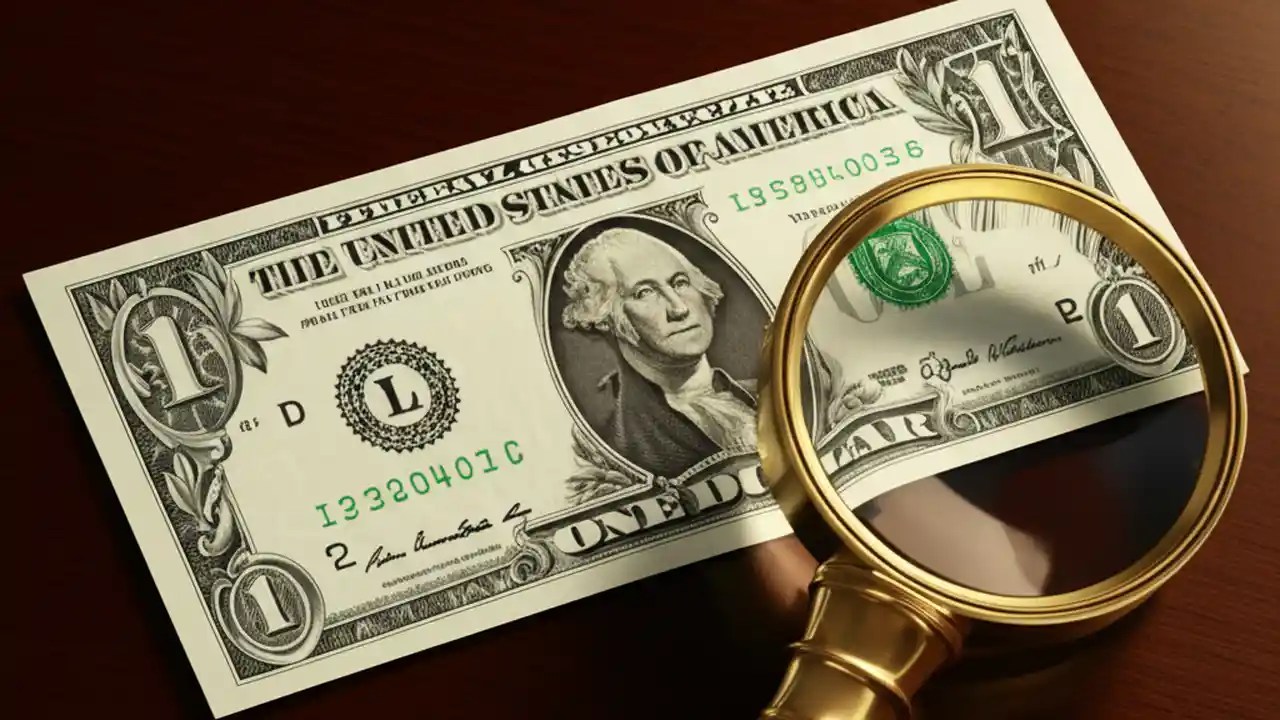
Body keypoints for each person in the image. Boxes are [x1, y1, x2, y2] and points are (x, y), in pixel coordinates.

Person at [561, 227, 756, 478]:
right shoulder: (617, 448)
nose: (679, 308)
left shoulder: (767, 392)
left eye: (680, 282)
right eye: (645, 293)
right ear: (605, 318)